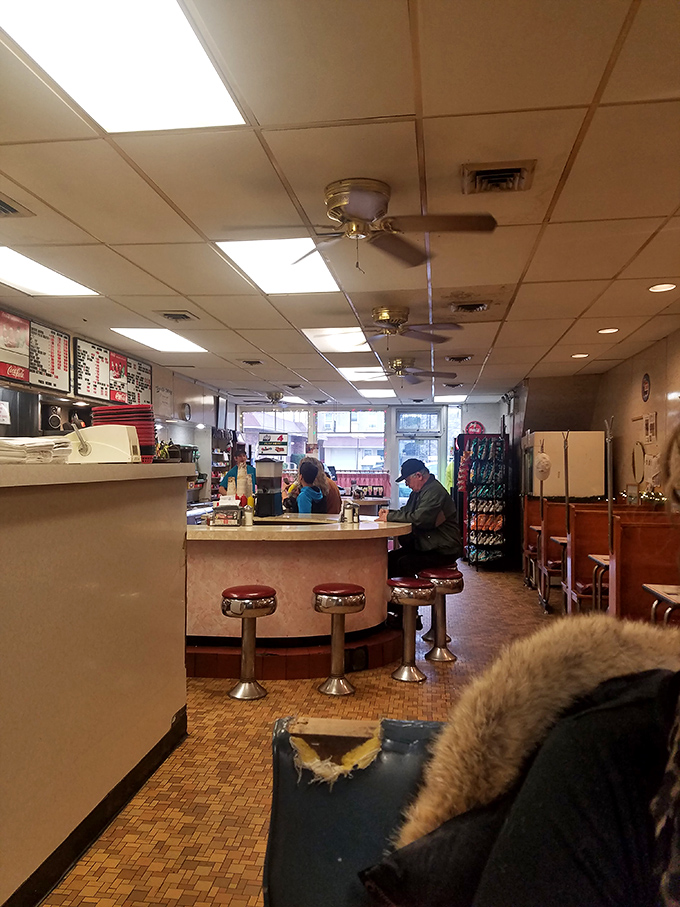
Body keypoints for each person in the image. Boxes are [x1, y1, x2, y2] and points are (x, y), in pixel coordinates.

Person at [378, 458, 463, 578]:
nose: (407, 485)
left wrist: (390, 516)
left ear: (418, 476)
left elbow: (420, 519)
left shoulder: (435, 491)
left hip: (443, 548)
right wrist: (389, 513)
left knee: (404, 563)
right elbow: (407, 512)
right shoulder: (419, 491)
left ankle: (409, 594)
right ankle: (388, 594)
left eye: (407, 480)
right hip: (429, 544)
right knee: (390, 558)